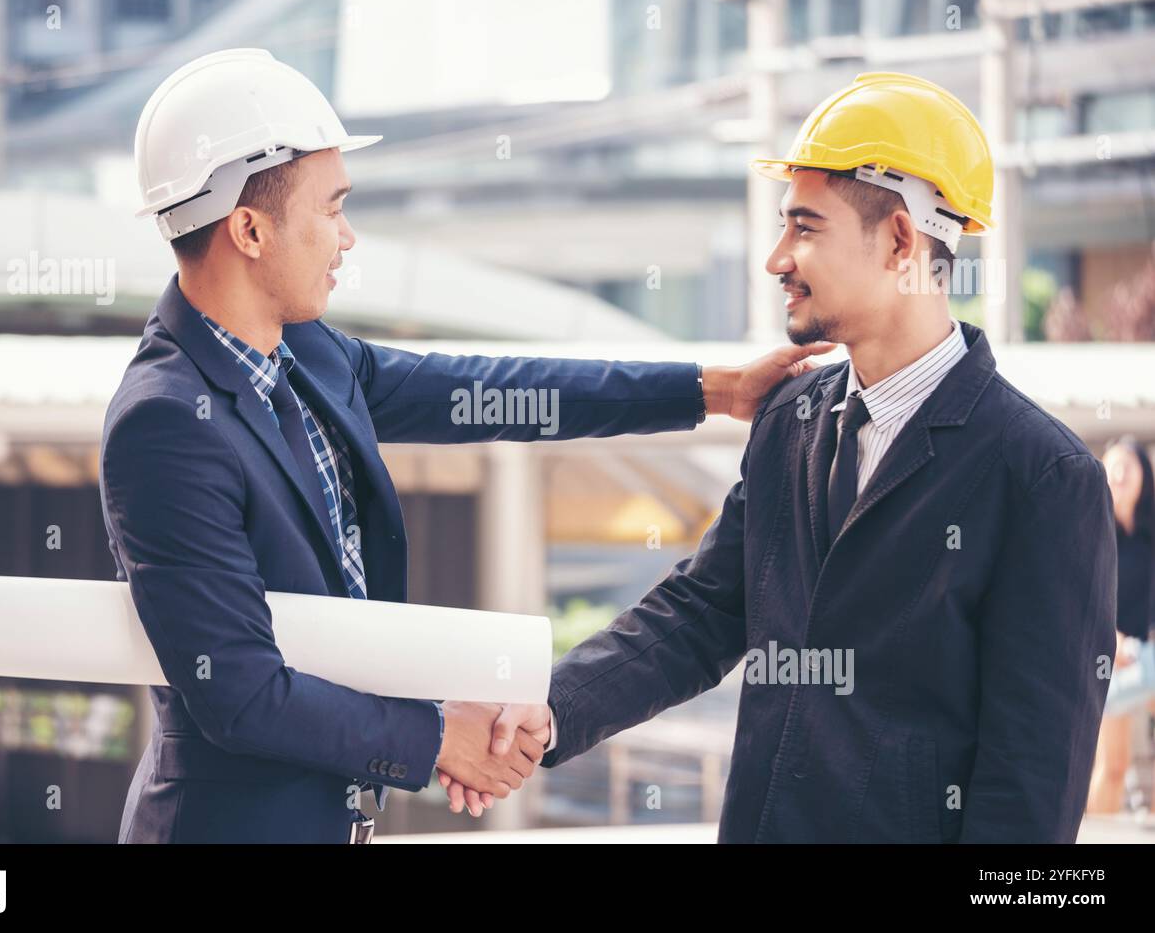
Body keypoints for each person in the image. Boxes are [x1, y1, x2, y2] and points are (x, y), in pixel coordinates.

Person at [102, 48, 832, 842]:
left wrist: (708, 390)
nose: (347, 237)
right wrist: (437, 737)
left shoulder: (306, 355)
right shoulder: (166, 423)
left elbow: (491, 389)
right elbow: (237, 692)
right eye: (331, 208)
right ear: (248, 228)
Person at [481, 71, 1117, 842]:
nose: (777, 258)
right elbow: (703, 612)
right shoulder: (791, 419)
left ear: (900, 241)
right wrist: (552, 706)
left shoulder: (1041, 477)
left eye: (805, 227)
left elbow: (1031, 789)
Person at [1087, 437, 1155, 814]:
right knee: (1113, 766)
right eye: (1113, 464)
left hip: (1151, 655)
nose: (1120, 472)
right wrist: (1110, 640)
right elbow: (1075, 597)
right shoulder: (1089, 531)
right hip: (1110, 661)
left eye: (1129, 464)